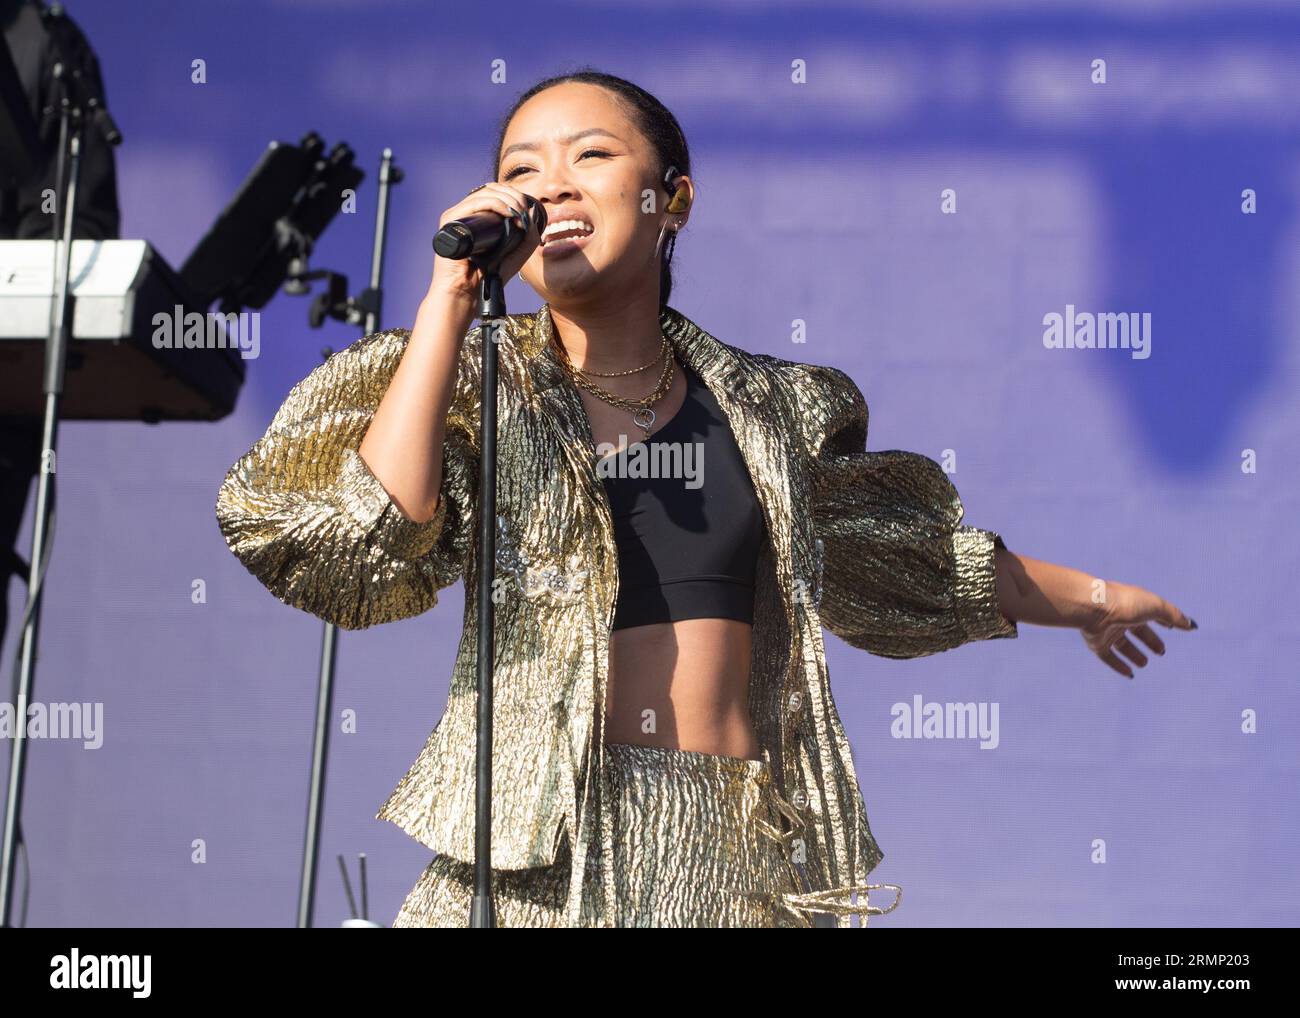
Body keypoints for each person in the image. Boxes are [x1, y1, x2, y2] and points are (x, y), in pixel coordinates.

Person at [214, 69, 1196, 928]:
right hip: (533, 858)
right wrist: (448, 306)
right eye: (519, 169)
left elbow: (914, 558)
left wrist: (1097, 601)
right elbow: (363, 539)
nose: (548, 183)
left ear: (670, 200)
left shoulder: (773, 409)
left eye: (589, 155)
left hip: (727, 855)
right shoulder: (468, 382)